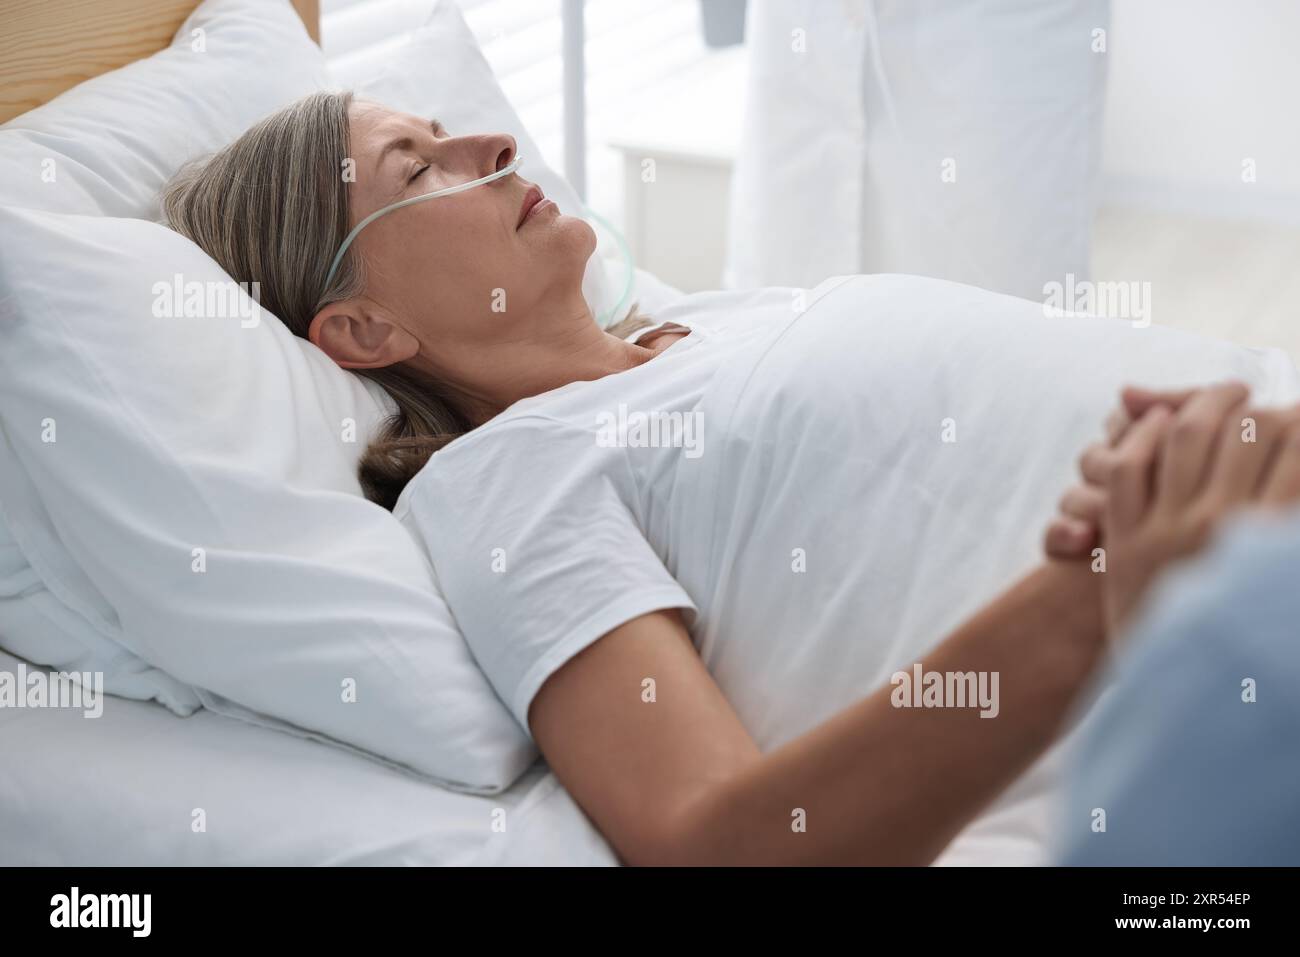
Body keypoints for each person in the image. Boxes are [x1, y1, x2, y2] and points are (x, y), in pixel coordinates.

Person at [161, 91, 1300, 865]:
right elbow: (713, 840)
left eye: (450, 132)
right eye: (421, 166)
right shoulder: (507, 485)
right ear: (361, 331)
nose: (494, 149)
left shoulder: (701, 328)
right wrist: (1101, 579)